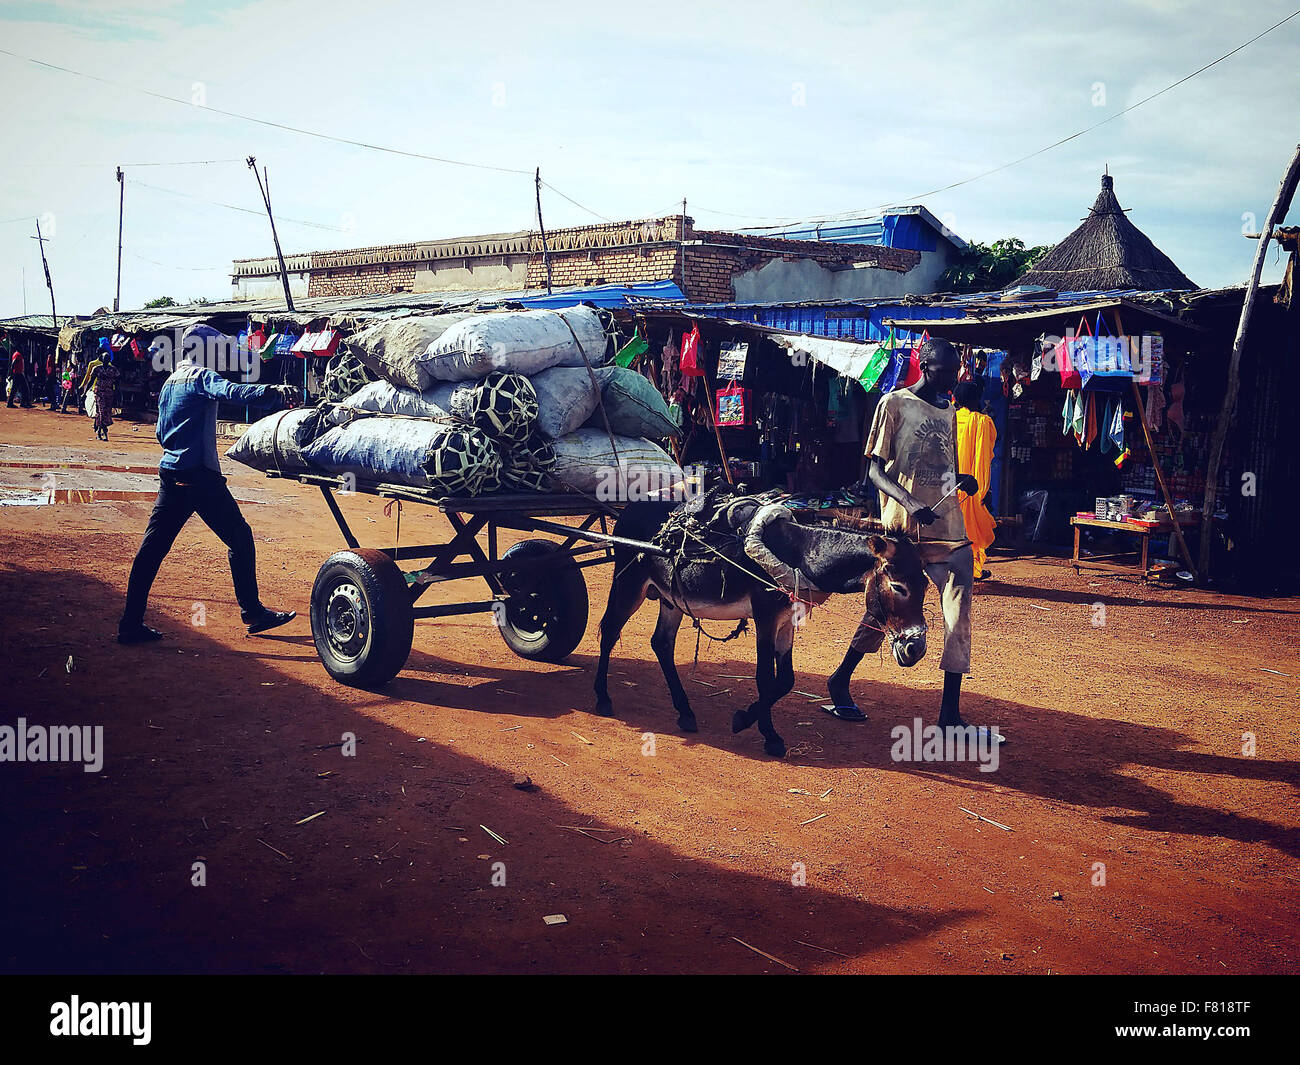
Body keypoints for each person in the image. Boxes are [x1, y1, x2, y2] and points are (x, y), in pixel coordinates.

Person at [837, 337, 998, 737]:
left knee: (958, 619)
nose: (954, 378)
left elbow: (942, 464)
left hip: (949, 531)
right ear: (926, 367)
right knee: (883, 613)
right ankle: (840, 680)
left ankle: (948, 714)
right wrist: (909, 503)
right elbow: (873, 472)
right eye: (946, 371)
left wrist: (963, 479)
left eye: (955, 370)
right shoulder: (893, 404)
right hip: (904, 533)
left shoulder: (949, 410)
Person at [118, 327, 299, 644]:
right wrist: (278, 392)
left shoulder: (170, 383)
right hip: (200, 478)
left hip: (171, 475)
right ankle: (252, 612)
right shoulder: (201, 377)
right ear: (203, 351)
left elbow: (161, 433)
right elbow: (236, 393)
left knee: (151, 552)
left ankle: (129, 624)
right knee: (240, 538)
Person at [954, 380, 998, 580]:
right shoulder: (982, 422)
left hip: (949, 485)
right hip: (972, 486)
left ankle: (954, 569)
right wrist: (983, 489)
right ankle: (972, 569)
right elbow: (985, 456)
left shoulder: (950, 419)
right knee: (971, 528)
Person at [5, 336, 32, 409]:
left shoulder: (17, 354)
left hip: (18, 373)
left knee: (15, 388)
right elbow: (13, 364)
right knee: (25, 388)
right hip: (18, 373)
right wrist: (11, 373)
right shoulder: (17, 354)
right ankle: (24, 403)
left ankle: (11, 403)